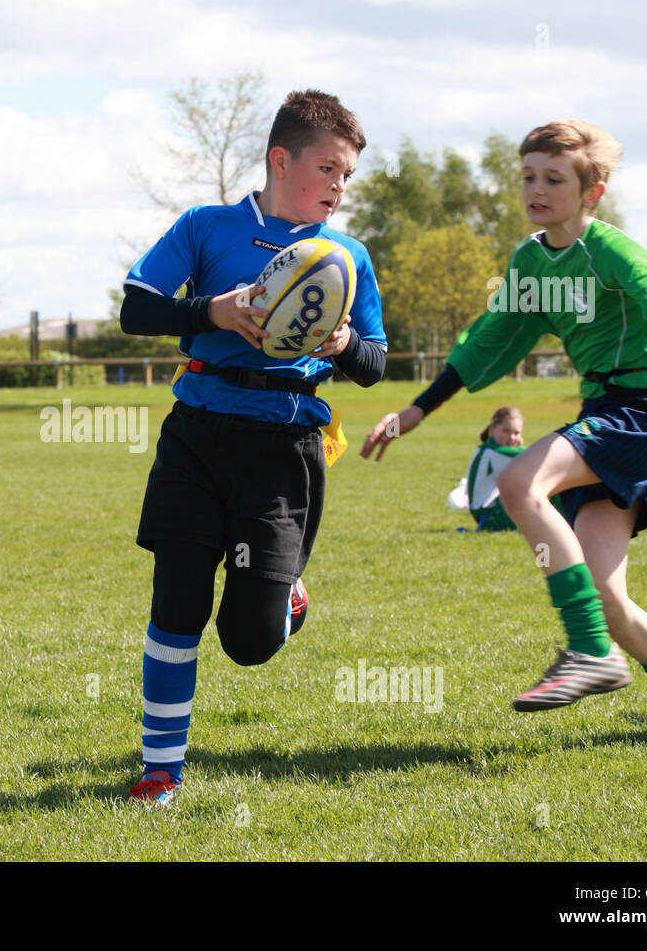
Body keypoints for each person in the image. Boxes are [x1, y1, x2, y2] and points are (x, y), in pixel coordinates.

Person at [361, 119, 647, 746]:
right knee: (607, 596)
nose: (536, 189)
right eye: (529, 176)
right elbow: (487, 343)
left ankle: (589, 650)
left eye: (554, 178)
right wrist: (415, 412)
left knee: (518, 480)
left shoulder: (608, 247)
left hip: (642, 410)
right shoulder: (531, 261)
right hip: (606, 409)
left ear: (590, 191)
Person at [119, 89, 387, 807]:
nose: (338, 186)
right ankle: (159, 771)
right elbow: (135, 304)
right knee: (177, 600)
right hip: (197, 434)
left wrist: (342, 343)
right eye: (328, 168)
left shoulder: (348, 257)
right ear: (281, 159)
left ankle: (285, 594)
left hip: (283, 447)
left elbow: (376, 363)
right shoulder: (207, 227)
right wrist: (213, 309)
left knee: (249, 641)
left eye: (347, 176)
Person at [465, 406, 524, 531]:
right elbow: (537, 457)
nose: (512, 437)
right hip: (490, 517)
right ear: (492, 430)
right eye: (506, 431)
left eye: (516, 433)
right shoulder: (494, 453)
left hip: (488, 514)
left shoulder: (488, 448)